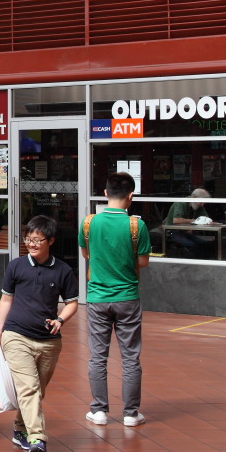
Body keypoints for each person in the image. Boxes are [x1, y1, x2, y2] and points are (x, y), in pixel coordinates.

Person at [0, 215, 79, 452]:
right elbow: (6, 300)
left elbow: (72, 304)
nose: (32, 244)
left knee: (37, 391)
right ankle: (38, 439)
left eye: (38, 240)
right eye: (29, 239)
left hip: (49, 341)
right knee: (29, 387)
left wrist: (60, 320)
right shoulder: (16, 266)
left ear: (51, 241)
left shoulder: (63, 271)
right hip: (16, 336)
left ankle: (20, 428)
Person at [79, 171, 151, 427]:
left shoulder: (88, 223)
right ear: (131, 196)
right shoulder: (136, 225)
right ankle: (130, 414)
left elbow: (86, 254)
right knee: (130, 356)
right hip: (128, 298)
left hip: (97, 297)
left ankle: (98, 410)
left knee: (98, 356)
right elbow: (143, 261)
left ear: (105, 193)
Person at [164, 187, 214, 258]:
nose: (202, 204)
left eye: (204, 202)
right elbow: (176, 220)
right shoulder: (181, 203)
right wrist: (195, 220)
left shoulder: (198, 206)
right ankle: (186, 266)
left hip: (185, 232)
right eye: (202, 201)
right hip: (172, 232)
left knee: (206, 245)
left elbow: (206, 219)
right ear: (194, 197)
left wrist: (210, 221)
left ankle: (203, 264)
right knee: (193, 246)